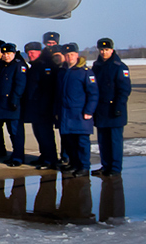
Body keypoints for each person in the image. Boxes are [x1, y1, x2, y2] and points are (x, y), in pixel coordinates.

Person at [56, 42, 99, 176]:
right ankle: (74, 164)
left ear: (77, 55)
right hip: (65, 113)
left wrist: (89, 111)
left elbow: (93, 93)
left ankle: (84, 166)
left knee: (82, 142)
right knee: (69, 142)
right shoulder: (62, 72)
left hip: (80, 114)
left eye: (72, 54)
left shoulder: (85, 72)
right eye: (67, 55)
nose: (69, 57)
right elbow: (57, 94)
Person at [92, 37, 132, 178]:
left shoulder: (119, 67)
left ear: (112, 50)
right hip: (101, 110)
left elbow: (124, 90)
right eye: (102, 50)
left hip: (114, 110)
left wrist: (118, 106)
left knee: (115, 141)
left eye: (106, 50)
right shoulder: (96, 66)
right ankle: (105, 165)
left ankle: (115, 168)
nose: (104, 52)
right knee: (103, 141)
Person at [22, 41, 59, 170]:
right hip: (35, 108)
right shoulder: (35, 66)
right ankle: (44, 156)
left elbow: (48, 90)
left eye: (32, 52)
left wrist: (45, 107)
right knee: (38, 134)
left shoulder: (45, 66)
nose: (30, 55)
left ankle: (50, 159)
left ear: (39, 52)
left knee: (46, 135)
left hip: (44, 108)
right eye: (28, 53)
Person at [0, 43, 27, 166]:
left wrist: (14, 100)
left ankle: (18, 157)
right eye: (4, 54)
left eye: (9, 53)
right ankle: (10, 155)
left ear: (14, 53)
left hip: (13, 106)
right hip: (2, 105)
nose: (6, 56)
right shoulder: (4, 66)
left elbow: (20, 84)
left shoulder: (19, 65)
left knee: (16, 133)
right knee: (7, 132)